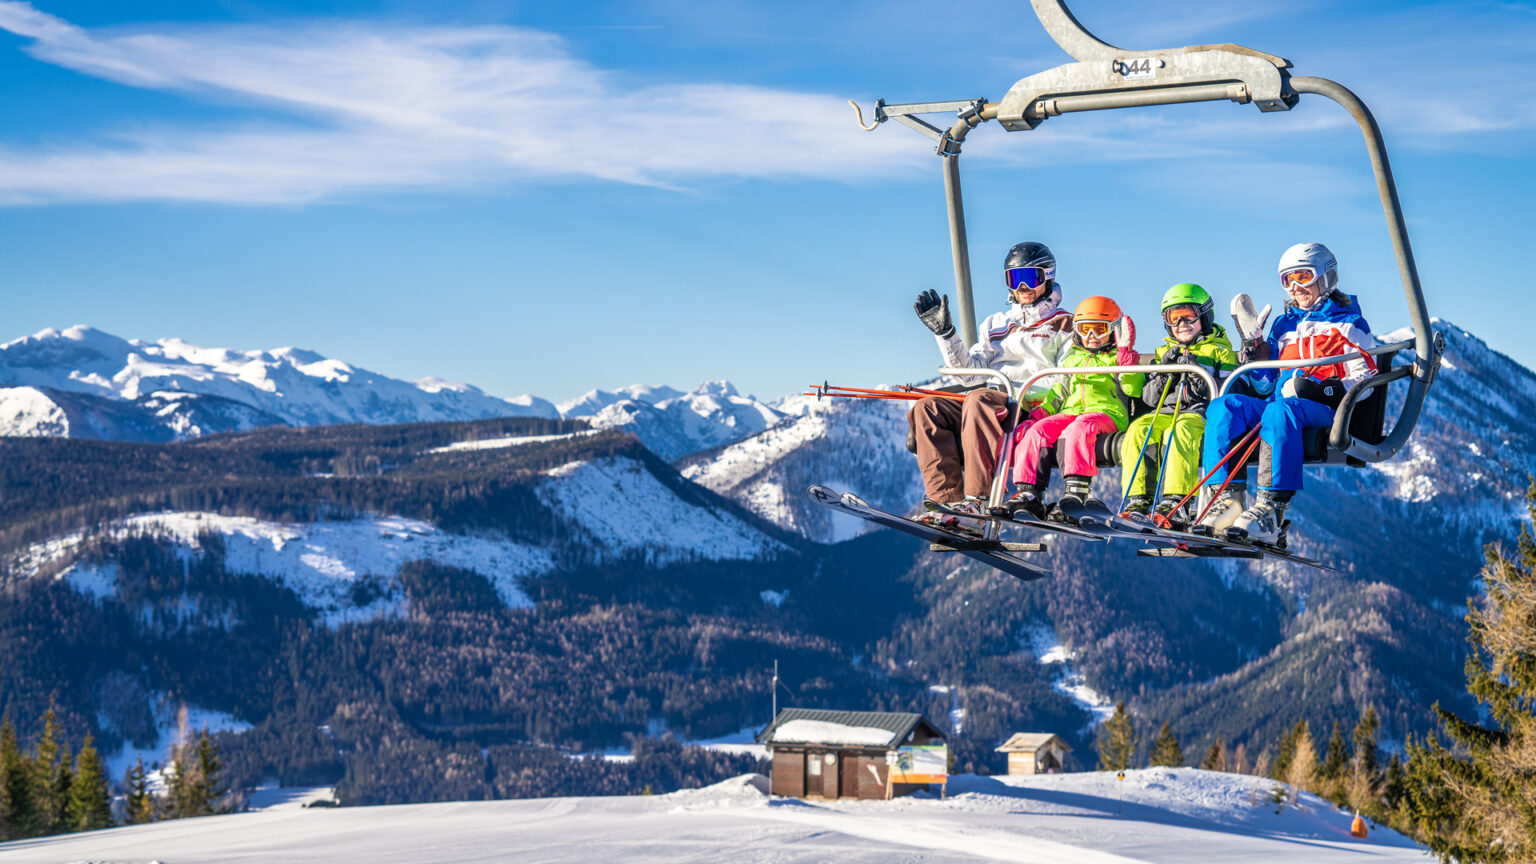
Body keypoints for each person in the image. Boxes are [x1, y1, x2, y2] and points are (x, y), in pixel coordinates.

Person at [1194, 242, 1377, 544]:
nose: (1294, 287)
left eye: (1303, 277)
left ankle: (1271, 509)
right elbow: (1266, 383)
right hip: (1278, 404)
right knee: (1224, 406)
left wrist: (1323, 389)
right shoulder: (1284, 325)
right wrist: (1255, 346)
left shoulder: (1349, 324)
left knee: (1280, 411)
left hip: (1321, 410)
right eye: (1287, 280)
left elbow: (1366, 379)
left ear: (1326, 277)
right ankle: (1228, 498)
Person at [908, 241, 1073, 533]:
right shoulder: (995, 324)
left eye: (1030, 277)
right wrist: (946, 334)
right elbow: (969, 376)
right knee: (927, 408)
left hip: (1030, 407)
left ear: (1048, 277)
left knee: (978, 399)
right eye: (1014, 278)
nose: (1021, 286)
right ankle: (947, 503)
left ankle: (977, 501)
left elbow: (1066, 378)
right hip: (990, 404)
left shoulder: (1064, 324)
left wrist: (1045, 405)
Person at [1005, 295, 1144, 520]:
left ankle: (1076, 492)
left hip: (1105, 414)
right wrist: (1037, 416)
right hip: (1071, 412)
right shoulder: (1072, 360)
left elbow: (1133, 388)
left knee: (1078, 428)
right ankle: (1030, 494)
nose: (1091, 337)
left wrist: (1126, 354)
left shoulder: (1117, 358)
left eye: (1099, 329)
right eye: (1084, 329)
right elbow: (1058, 392)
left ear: (1114, 330)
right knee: (1038, 431)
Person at [1118, 283, 1238, 526]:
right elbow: (1149, 399)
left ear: (1204, 316)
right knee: (1139, 430)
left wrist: (1197, 373)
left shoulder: (1220, 351)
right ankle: (1138, 498)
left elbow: (1225, 391)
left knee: (1179, 431)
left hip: (1198, 414)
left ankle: (1177, 500)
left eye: (1189, 316)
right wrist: (1164, 373)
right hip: (1163, 411)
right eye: (1174, 317)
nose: (1182, 324)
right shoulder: (1163, 351)